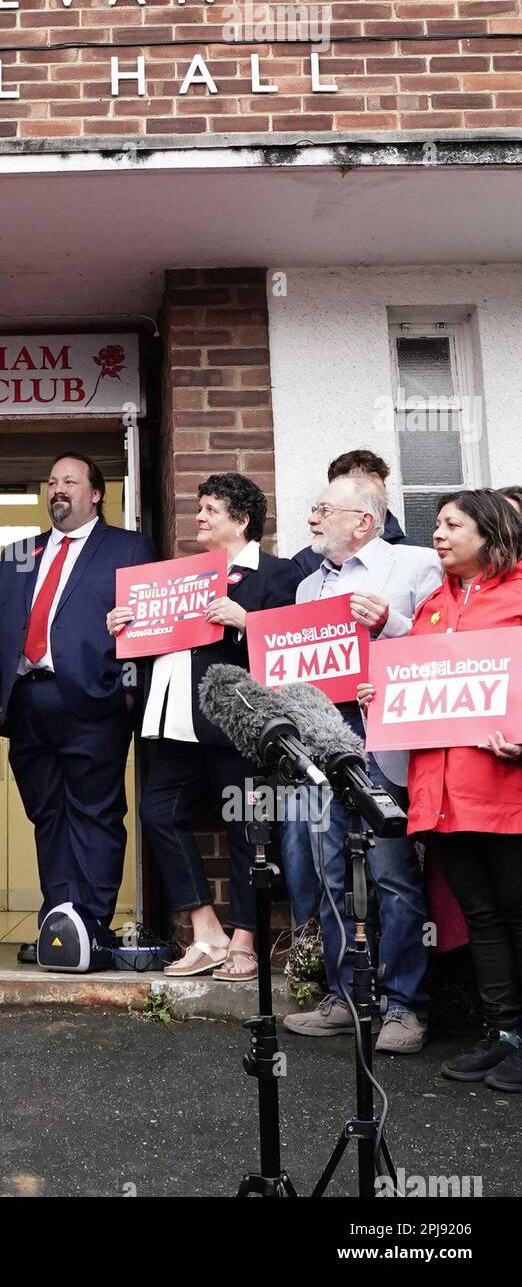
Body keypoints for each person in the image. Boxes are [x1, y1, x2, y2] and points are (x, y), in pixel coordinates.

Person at [108, 473, 302, 980]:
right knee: (157, 812)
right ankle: (206, 931)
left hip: (238, 725)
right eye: (201, 509)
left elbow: (294, 652)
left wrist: (247, 621)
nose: (199, 517)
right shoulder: (177, 577)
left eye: (211, 510)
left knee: (248, 830)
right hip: (174, 722)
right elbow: (157, 646)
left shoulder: (278, 575)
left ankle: (244, 941)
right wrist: (125, 629)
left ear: (241, 520)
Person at [358, 490, 522, 1090]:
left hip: (505, 791)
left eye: (453, 524)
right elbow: (420, 682)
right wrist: (383, 695)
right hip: (443, 793)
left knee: (516, 915)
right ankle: (503, 1034)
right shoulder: (432, 605)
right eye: (437, 524)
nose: (439, 534)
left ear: (491, 531)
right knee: (481, 917)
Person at [281, 473, 443, 1054]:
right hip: (325, 738)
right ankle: (344, 997)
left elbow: (445, 656)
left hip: (383, 735)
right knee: (329, 871)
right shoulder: (306, 588)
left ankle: (403, 1007)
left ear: (364, 521)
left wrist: (390, 626)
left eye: (324, 509)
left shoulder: (416, 566)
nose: (312, 518)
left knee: (390, 873)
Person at [0, 453, 156, 963]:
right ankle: (59, 928)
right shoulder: (18, 553)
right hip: (28, 700)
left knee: (95, 815)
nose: (58, 489)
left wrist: (128, 689)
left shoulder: (128, 547)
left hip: (94, 700)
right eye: (52, 482)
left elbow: (151, 624)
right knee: (48, 815)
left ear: (95, 493)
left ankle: (91, 926)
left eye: (70, 482)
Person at [291, 450, 417, 579]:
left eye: (372, 489)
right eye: (356, 489)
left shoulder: (417, 558)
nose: (370, 497)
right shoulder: (305, 564)